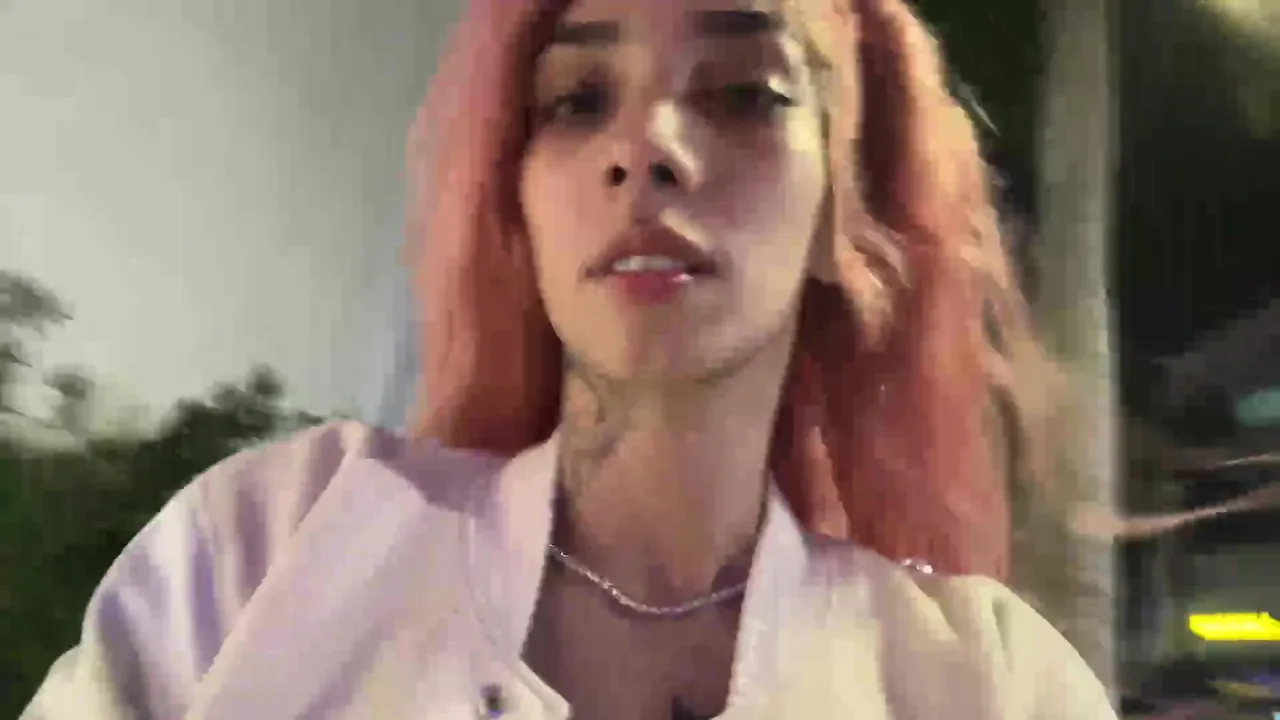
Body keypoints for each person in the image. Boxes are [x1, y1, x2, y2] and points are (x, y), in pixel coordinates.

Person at [23, 0, 1118, 717]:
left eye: (746, 94)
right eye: (578, 101)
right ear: (517, 200)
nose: (647, 148)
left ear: (844, 202)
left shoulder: (989, 682)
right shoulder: (271, 548)